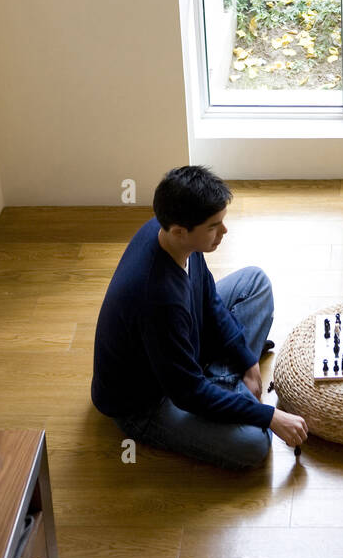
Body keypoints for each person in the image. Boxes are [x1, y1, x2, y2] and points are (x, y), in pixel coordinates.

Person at [91, 165, 307, 469]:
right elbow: (187, 393)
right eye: (214, 226)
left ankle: (223, 381)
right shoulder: (157, 299)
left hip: (181, 350)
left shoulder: (171, 233)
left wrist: (245, 359)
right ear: (180, 231)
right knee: (254, 445)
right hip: (149, 403)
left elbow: (209, 300)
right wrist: (268, 415)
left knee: (254, 282)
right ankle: (222, 383)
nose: (224, 232)